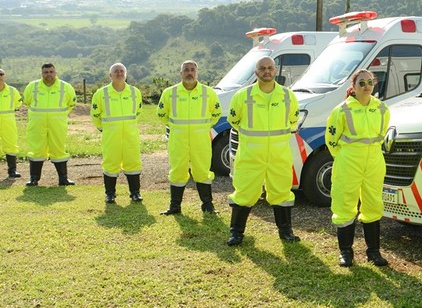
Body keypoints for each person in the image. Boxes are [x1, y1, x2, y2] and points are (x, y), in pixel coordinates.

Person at [225, 56, 301, 246]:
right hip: (250, 156)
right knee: (244, 193)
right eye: (262, 68)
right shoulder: (242, 96)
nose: (266, 71)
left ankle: (286, 232)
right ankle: (236, 233)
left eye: (270, 68)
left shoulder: (287, 96)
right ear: (256, 72)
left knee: (282, 193)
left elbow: (293, 121)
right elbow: (233, 121)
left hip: (279, 156)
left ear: (275, 71)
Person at [325, 69, 391, 267]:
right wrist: (345, 156)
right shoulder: (342, 110)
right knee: (345, 203)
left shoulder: (382, 108)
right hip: (348, 160)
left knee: (373, 203)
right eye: (361, 83)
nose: (366, 86)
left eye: (370, 82)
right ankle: (346, 252)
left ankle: (373, 252)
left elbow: (383, 132)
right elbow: (331, 140)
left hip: (374, 160)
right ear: (353, 86)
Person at [156, 60, 222, 215]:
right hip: (178, 139)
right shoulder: (169, 93)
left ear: (197, 73)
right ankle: (175, 206)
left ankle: (207, 205)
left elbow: (217, 113)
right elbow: (161, 114)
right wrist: (174, 127)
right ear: (181, 73)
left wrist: (205, 127)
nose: (189, 72)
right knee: (178, 170)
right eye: (186, 70)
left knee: (202, 170)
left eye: (192, 70)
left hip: (201, 139)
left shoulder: (208, 93)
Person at [91, 63, 144, 204]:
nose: (119, 74)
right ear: (110, 75)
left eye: (122, 71)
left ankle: (135, 193)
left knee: (133, 162)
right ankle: (110, 194)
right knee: (110, 164)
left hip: (130, 135)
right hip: (111, 136)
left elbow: (138, 112)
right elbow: (95, 115)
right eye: (116, 71)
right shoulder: (101, 94)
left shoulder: (135, 92)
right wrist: (103, 128)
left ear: (126, 74)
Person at [22, 62, 78, 186]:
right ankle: (34, 179)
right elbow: (27, 101)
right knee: (37, 149)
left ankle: (63, 179)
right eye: (46, 72)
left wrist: (58, 115)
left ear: (55, 72)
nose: (49, 75)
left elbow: (71, 103)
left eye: (51, 72)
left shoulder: (66, 87)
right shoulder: (32, 86)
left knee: (58, 149)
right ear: (41, 73)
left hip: (57, 124)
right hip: (37, 124)